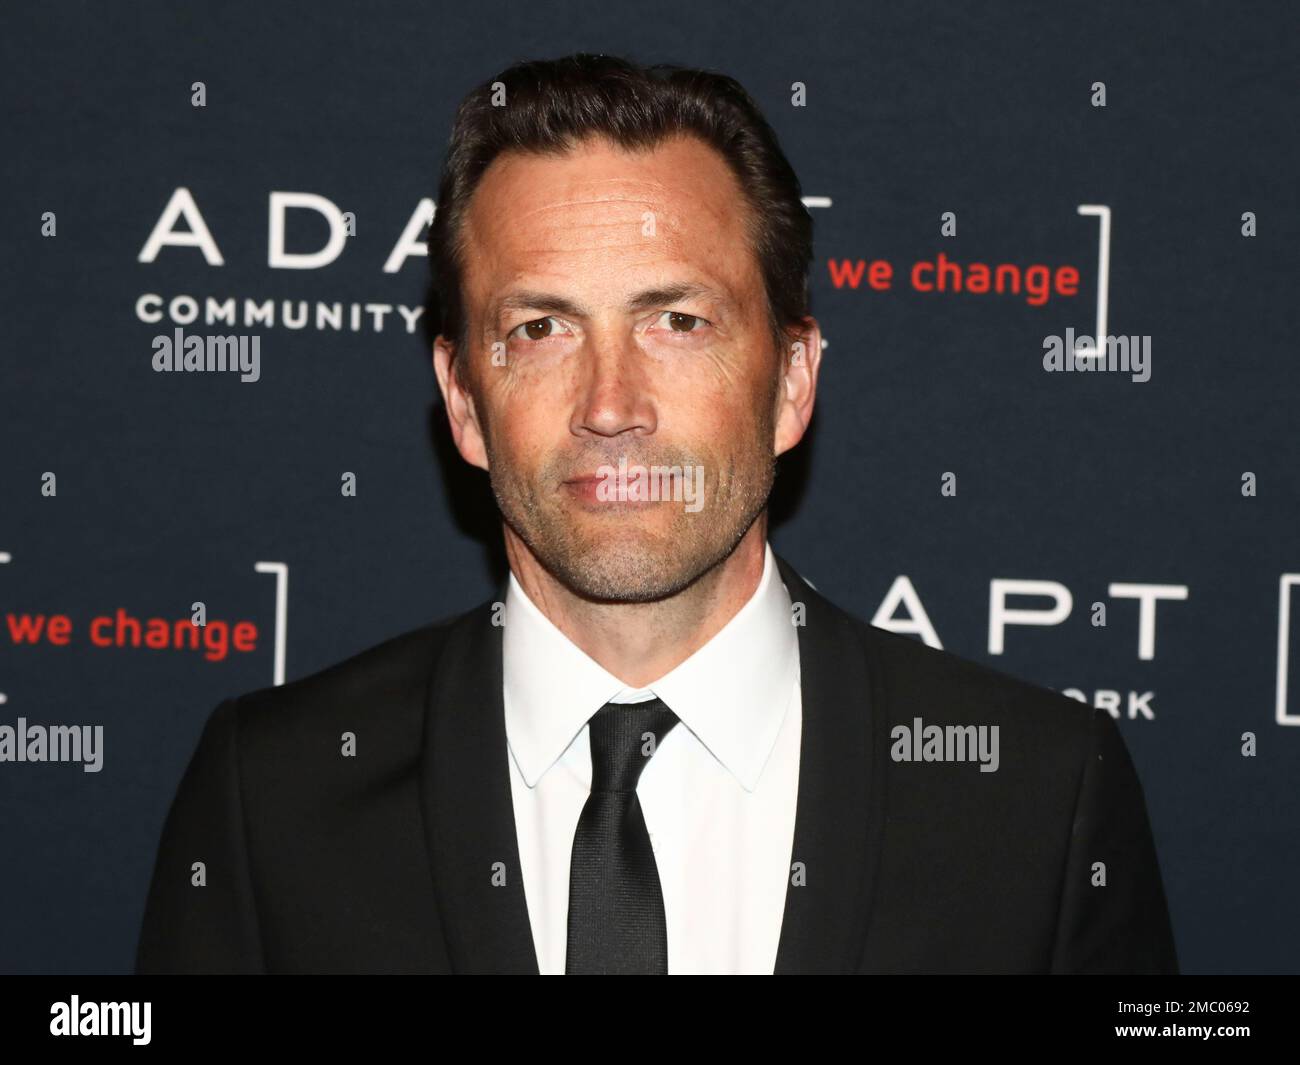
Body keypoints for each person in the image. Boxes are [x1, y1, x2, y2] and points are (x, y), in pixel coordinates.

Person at [136, 53, 1178, 974]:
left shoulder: (1037, 799)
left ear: (791, 381)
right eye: (541, 329)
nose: (610, 409)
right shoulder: (272, 794)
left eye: (678, 321)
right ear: (462, 400)